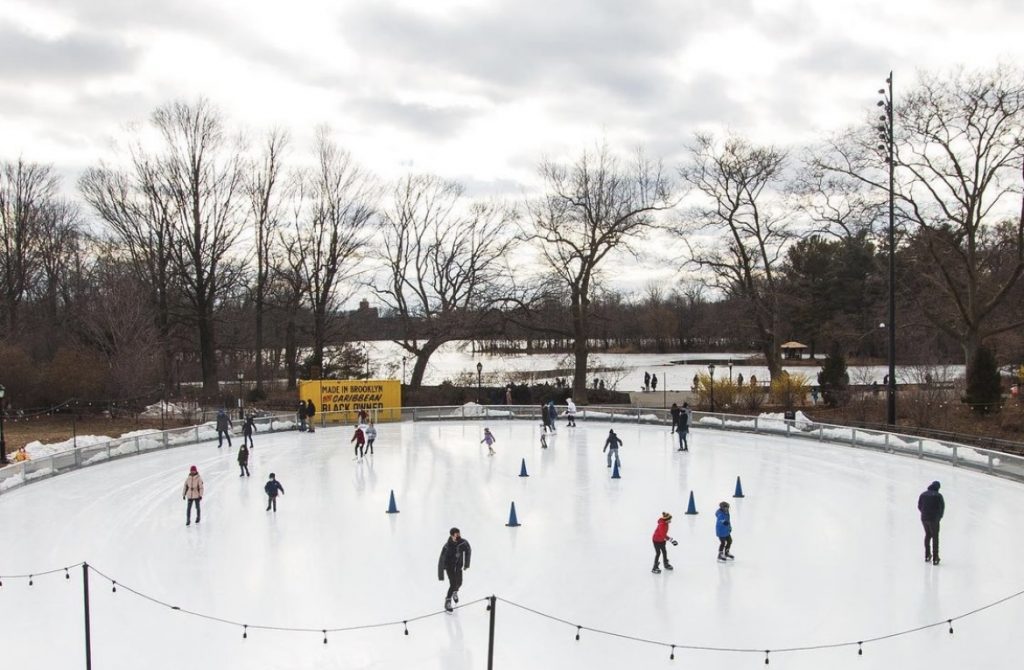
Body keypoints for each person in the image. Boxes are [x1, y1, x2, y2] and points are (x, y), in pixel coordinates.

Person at [437, 527, 472, 612]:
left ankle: (455, 592)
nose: (459, 536)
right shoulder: (447, 546)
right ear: (452, 536)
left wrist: (466, 564)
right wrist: (441, 575)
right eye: (457, 535)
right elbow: (441, 560)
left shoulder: (463, 543)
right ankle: (448, 601)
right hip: (450, 568)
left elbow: (468, 550)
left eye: (459, 534)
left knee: (459, 583)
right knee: (453, 584)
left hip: (458, 567)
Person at [918, 481, 945, 565]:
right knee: (935, 537)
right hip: (934, 519)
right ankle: (935, 558)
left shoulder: (923, 494)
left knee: (928, 535)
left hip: (924, 518)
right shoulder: (938, 496)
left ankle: (927, 555)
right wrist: (939, 517)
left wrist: (924, 513)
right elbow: (941, 508)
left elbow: (919, 506)